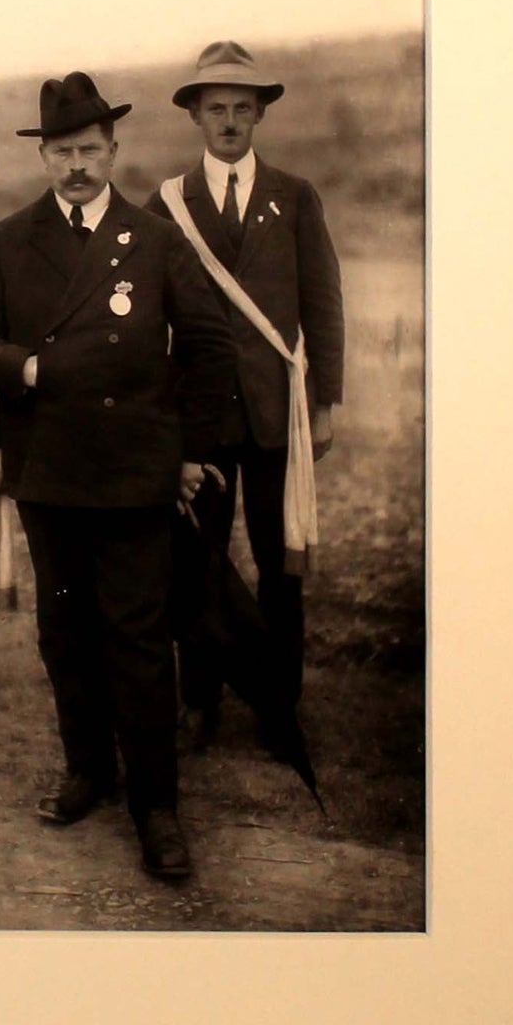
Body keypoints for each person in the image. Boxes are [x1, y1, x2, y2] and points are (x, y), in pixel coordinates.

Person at [0, 72, 237, 883]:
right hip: (49, 471)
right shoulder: (7, 240)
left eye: (89, 150)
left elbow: (210, 348)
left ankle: (157, 806)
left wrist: (190, 453)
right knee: (64, 633)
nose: (77, 165)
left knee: (138, 640)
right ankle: (88, 771)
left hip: (134, 474)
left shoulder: (152, 240)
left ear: (113, 151)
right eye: (62, 152)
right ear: (43, 157)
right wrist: (30, 370)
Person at [160, 39, 346, 783]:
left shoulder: (294, 197)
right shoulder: (169, 203)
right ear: (197, 118)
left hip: (275, 416)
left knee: (280, 566)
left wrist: (324, 404)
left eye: (242, 108)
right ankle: (199, 702)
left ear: (260, 114)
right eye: (216, 110)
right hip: (201, 420)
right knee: (197, 566)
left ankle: (278, 704)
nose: (230, 121)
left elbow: (322, 305)